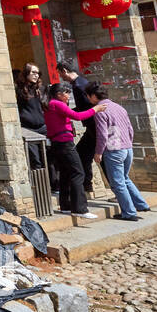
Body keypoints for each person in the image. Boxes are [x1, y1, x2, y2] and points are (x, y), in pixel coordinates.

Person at [44, 82, 106, 218]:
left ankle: (66, 205)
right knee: (78, 173)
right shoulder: (57, 104)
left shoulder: (51, 104)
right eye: (67, 93)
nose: (68, 96)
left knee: (66, 173)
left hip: (57, 143)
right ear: (59, 94)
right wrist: (96, 109)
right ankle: (80, 208)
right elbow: (77, 116)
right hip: (64, 142)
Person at [90, 86, 152, 221]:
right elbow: (130, 129)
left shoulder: (100, 111)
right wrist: (128, 143)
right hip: (127, 147)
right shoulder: (119, 107)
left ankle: (129, 213)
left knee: (118, 183)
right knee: (125, 179)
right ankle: (142, 204)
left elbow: (102, 134)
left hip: (114, 149)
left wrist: (98, 152)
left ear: (93, 96)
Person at [57, 61, 98, 193]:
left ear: (64, 70)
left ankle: (117, 191)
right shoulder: (80, 83)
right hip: (91, 127)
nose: (61, 77)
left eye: (60, 73)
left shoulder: (79, 86)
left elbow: (87, 107)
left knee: (100, 158)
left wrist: (68, 113)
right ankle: (87, 185)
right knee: (83, 154)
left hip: (94, 127)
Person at [15, 63, 52, 182]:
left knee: (49, 156)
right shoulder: (20, 90)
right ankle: (41, 186)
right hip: (29, 129)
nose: (36, 75)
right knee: (35, 160)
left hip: (43, 127)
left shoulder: (41, 89)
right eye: (33, 73)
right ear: (26, 74)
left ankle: (54, 185)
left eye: (38, 73)